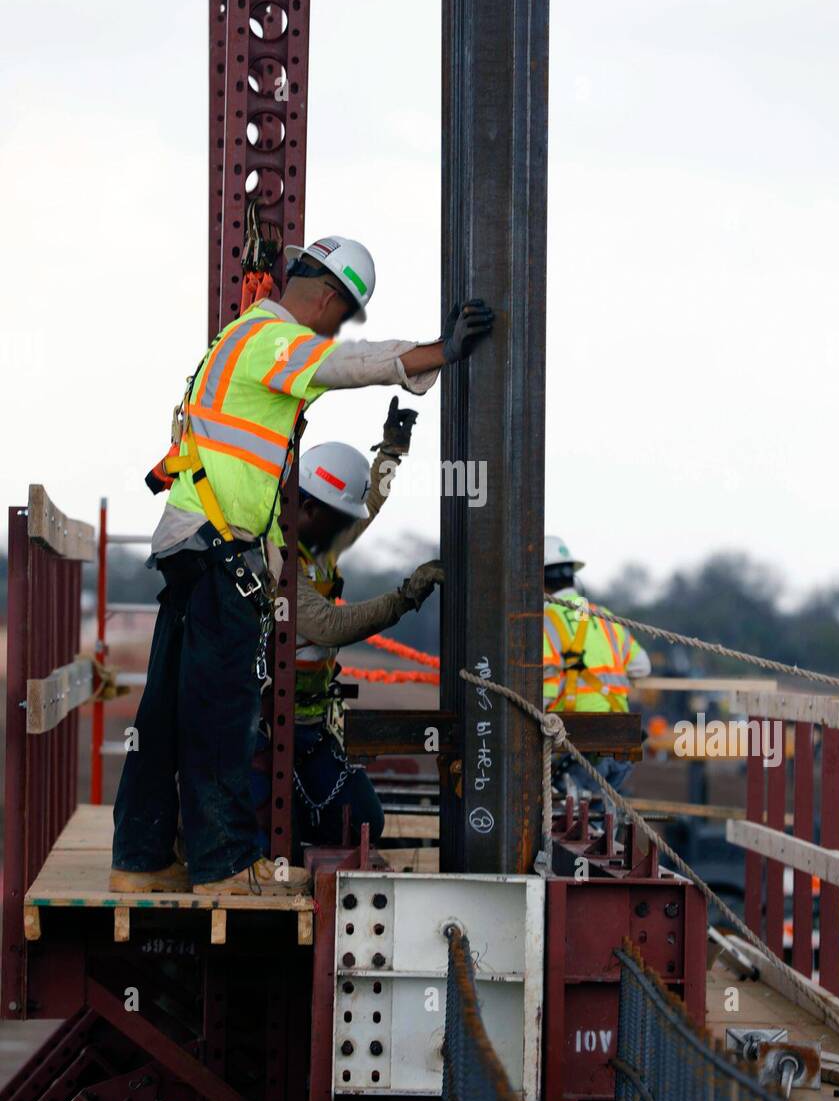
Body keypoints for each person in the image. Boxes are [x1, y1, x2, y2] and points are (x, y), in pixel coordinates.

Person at [110, 235, 493, 897]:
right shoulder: (271, 342)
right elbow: (348, 364)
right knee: (222, 715)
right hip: (215, 547)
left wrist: (387, 455)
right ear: (325, 297)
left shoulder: (237, 340)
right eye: (340, 314)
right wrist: (440, 352)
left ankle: (140, 860)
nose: (335, 328)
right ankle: (226, 867)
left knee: (167, 711)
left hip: (190, 542)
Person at [285, 412, 438, 856]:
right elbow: (327, 624)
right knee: (278, 837)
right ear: (310, 507)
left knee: (362, 821)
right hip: (268, 731)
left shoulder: (316, 540)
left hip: (310, 727)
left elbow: (368, 506)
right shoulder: (278, 556)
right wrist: (404, 598)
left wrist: (392, 453)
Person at [542, 534, 650, 800]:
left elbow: (546, 686)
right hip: (620, 741)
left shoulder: (545, 619)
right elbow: (642, 667)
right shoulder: (604, 617)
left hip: (577, 740)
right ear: (572, 579)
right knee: (598, 825)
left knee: (562, 815)